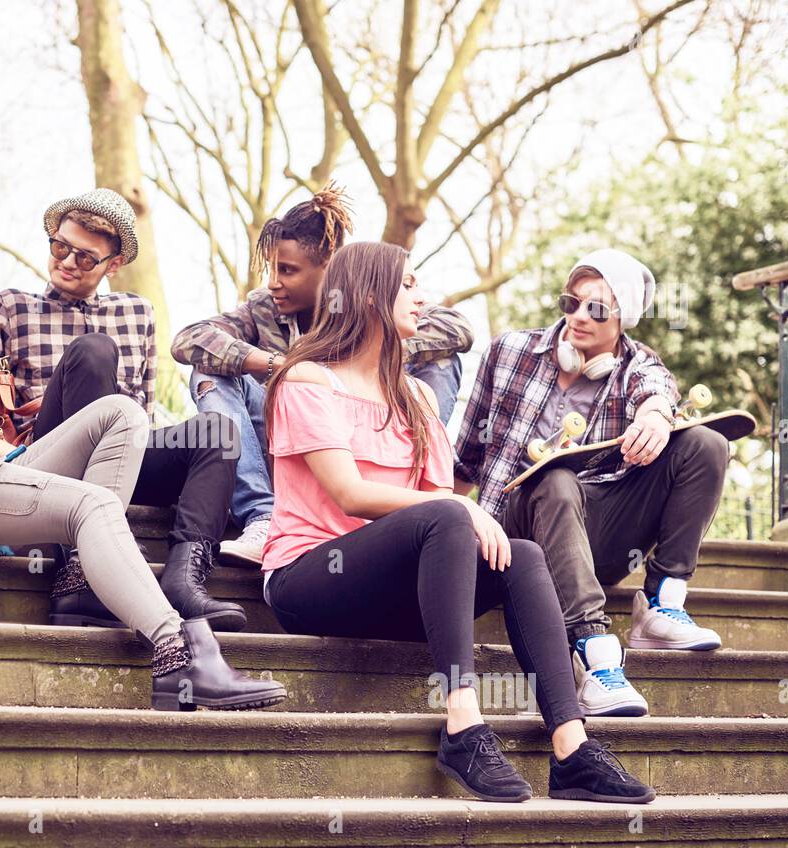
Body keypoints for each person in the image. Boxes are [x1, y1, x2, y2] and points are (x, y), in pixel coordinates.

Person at [261, 240, 653, 803]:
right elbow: (348, 494)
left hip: (390, 595)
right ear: (370, 294)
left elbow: (438, 512)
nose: (422, 298)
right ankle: (464, 724)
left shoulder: (417, 397)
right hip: (310, 579)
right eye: (410, 285)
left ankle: (572, 748)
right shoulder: (307, 381)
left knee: (525, 555)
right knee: (447, 511)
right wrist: (462, 506)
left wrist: (459, 509)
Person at [0, 240, 285, 712]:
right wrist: (15, 458)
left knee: (121, 413)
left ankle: (83, 572)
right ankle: (178, 651)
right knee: (92, 503)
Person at [453, 249, 729, 719]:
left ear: (625, 319)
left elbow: (656, 389)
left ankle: (662, 604)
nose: (578, 317)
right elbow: (463, 463)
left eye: (597, 309)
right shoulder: (508, 351)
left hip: (591, 541)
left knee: (707, 443)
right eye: (571, 302)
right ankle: (593, 653)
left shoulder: (638, 365)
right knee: (556, 477)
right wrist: (446, 543)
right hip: (512, 536)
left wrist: (655, 415)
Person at [0, 189, 247, 631]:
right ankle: (90, 560)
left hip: (126, 454)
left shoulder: (137, 312)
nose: (65, 262)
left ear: (113, 265)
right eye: (60, 247)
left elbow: (145, 406)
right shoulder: (10, 306)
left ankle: (183, 579)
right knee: (93, 352)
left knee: (217, 430)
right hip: (46, 462)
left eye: (84, 258)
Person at [171, 184, 474, 566]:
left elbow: (457, 329)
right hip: (292, 455)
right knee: (209, 368)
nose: (273, 282)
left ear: (330, 266)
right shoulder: (264, 308)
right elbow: (189, 339)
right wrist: (279, 366)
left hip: (372, 449)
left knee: (443, 363)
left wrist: (367, 359)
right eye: (271, 269)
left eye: (287, 270)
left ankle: (409, 489)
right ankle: (262, 516)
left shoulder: (380, 294)